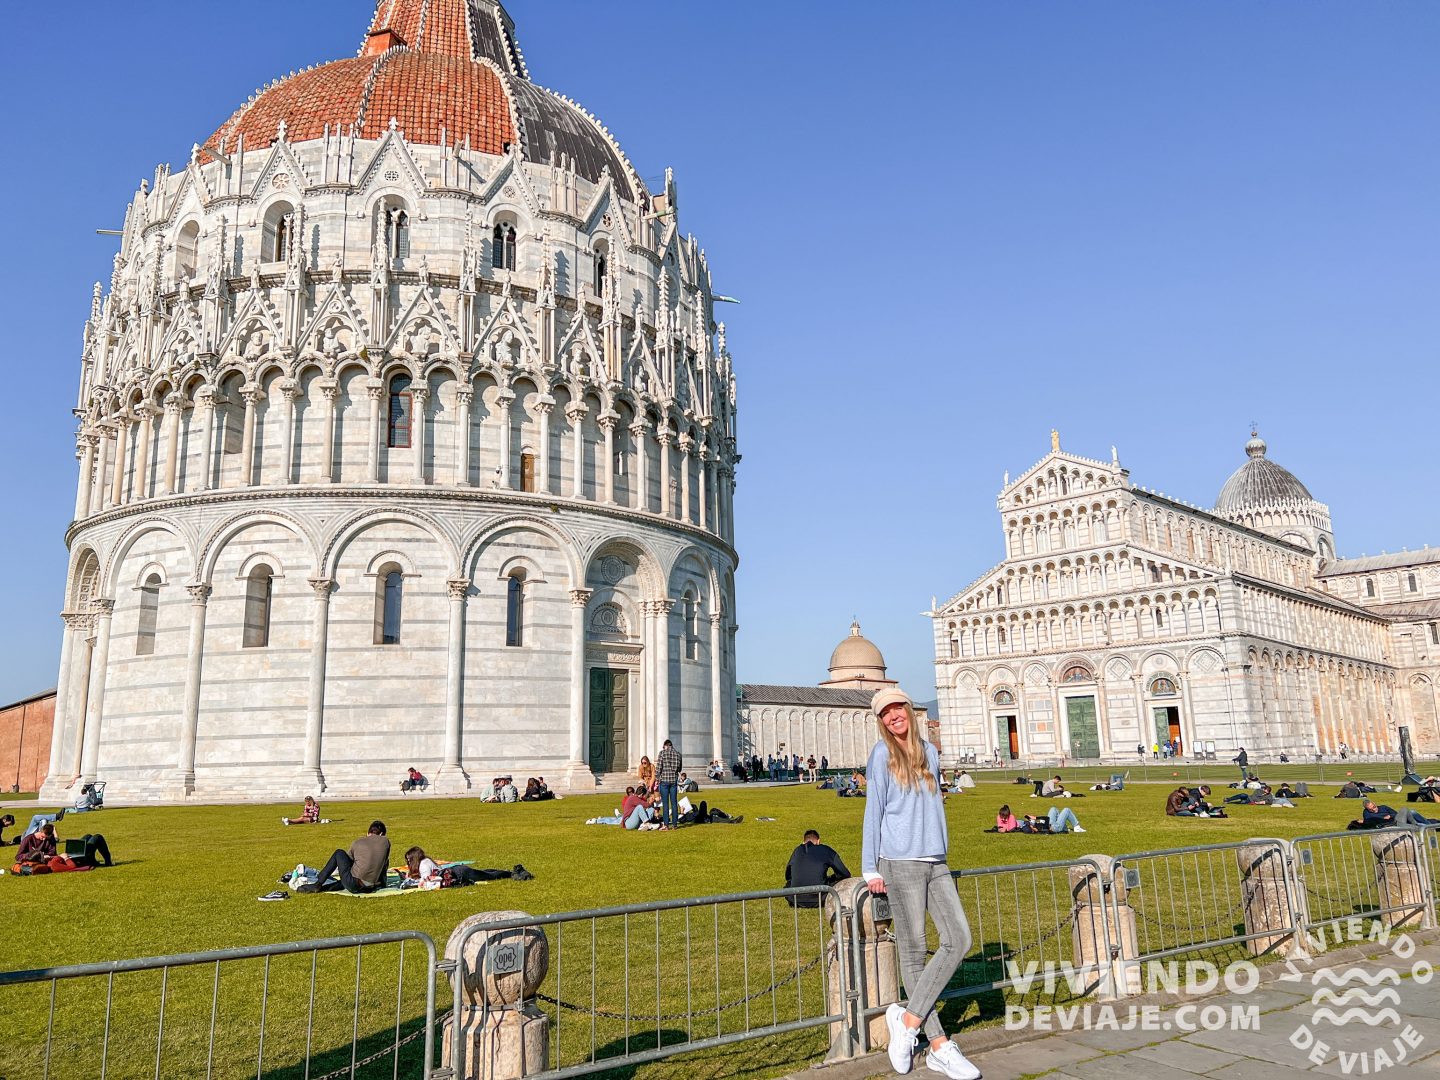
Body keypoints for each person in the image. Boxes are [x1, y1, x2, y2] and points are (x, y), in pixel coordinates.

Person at [861, 688, 979, 1080]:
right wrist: (869, 868)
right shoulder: (882, 756)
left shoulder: (930, 752)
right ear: (881, 722)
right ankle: (939, 1045)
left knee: (959, 939)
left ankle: (906, 1021)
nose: (894, 715)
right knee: (914, 950)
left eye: (898, 708)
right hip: (899, 862)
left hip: (935, 860)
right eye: (886, 713)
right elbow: (873, 809)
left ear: (909, 711)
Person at [298, 821, 391, 894]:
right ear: (382, 833)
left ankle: (317, 884)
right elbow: (383, 864)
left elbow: (349, 860)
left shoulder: (357, 842)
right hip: (371, 887)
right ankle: (323, 888)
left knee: (339, 853)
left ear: (368, 832)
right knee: (383, 860)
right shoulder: (386, 842)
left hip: (355, 885)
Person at [403, 846, 533, 887]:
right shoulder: (425, 861)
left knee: (489, 876)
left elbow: (424, 881)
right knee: (484, 872)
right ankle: (507, 872)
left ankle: (510, 873)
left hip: (460, 873)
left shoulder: (423, 865)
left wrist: (411, 880)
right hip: (458, 870)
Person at [784, 829, 851, 907]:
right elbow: (844, 873)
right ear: (818, 841)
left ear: (803, 842)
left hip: (795, 899)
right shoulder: (826, 850)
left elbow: (788, 876)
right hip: (820, 898)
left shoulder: (797, 851)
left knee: (788, 884)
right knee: (840, 882)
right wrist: (833, 877)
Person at [656, 738, 682, 830]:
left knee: (666, 804)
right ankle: (675, 825)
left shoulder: (662, 753)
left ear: (666, 745)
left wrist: (656, 778)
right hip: (673, 781)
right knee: (674, 803)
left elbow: (658, 768)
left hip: (664, 782)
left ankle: (666, 825)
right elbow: (679, 769)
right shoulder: (678, 754)